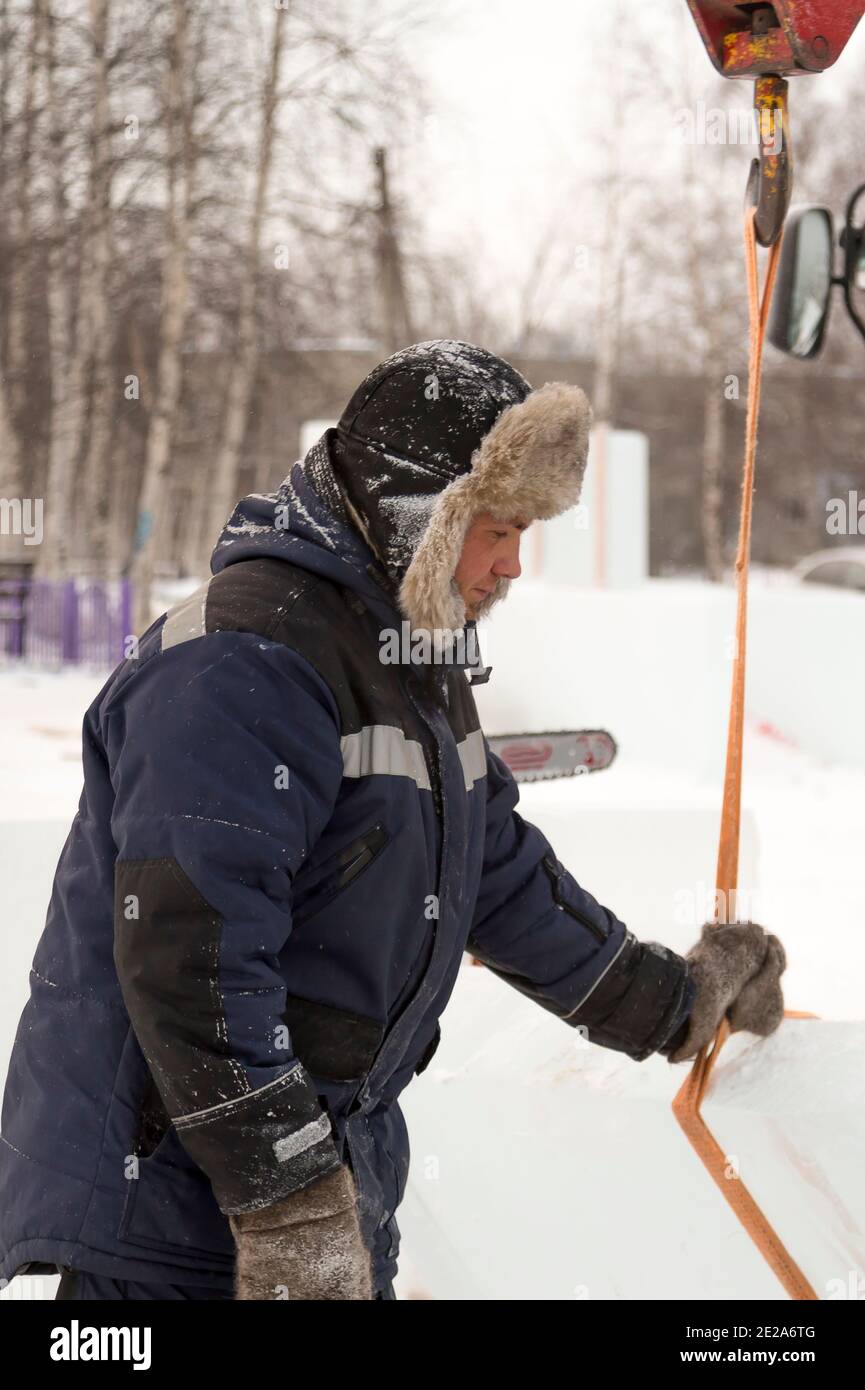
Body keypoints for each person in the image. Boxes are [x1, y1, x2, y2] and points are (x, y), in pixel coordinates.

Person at [0, 340, 786, 1301]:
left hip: (325, 1186)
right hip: (170, 1222)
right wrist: (289, 1208)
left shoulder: (406, 649)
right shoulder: (244, 663)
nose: (511, 564)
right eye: (497, 528)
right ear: (421, 512)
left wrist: (670, 1004)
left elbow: (495, 871)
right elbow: (188, 960)